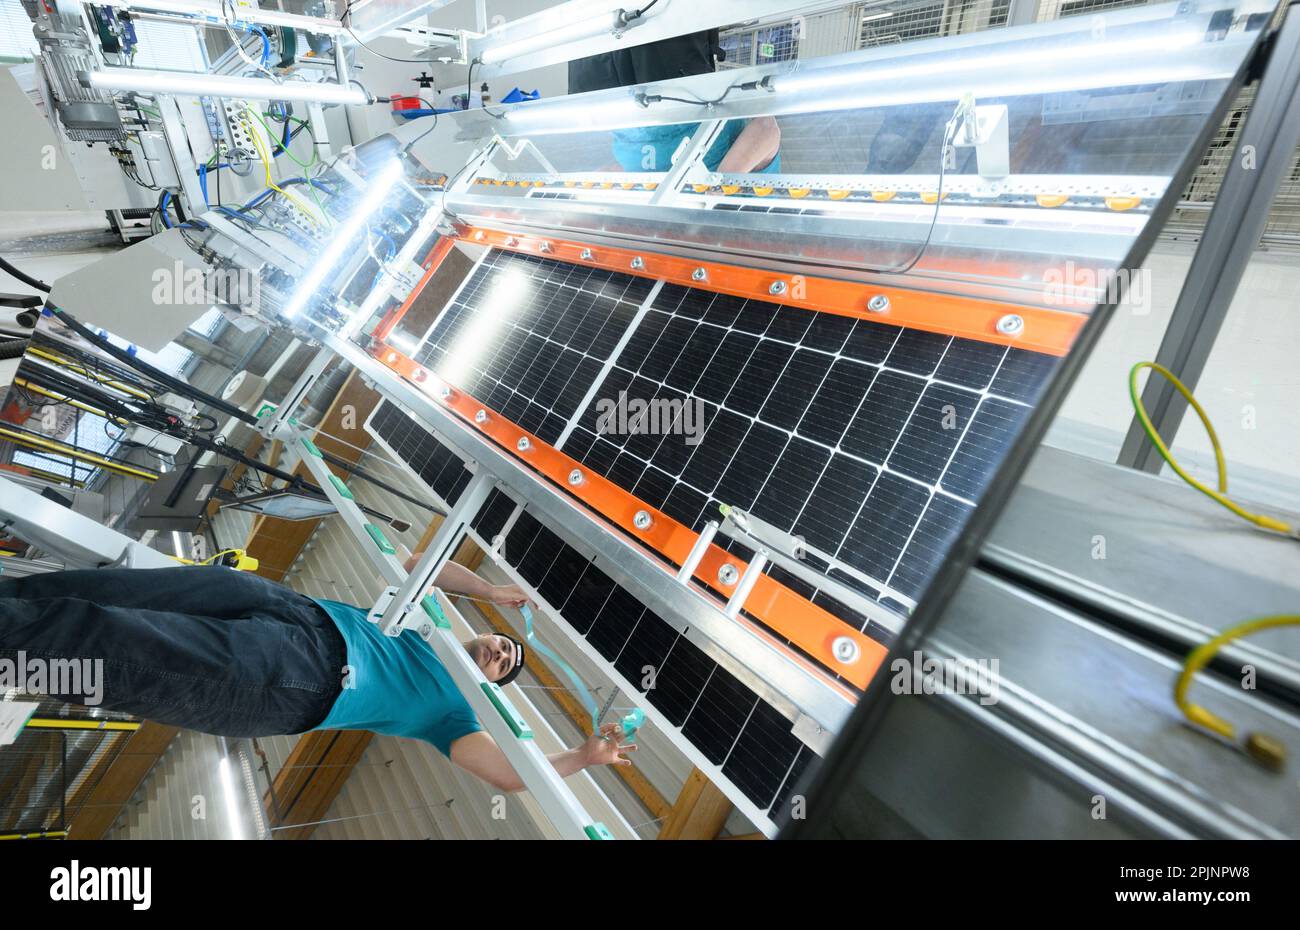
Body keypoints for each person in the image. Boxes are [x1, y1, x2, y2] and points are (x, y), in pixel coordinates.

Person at [0, 557, 633, 792]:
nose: (502, 656)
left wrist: (582, 754)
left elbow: (511, 777)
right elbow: (423, 561)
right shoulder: (429, 619)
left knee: (105, 642)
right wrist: (492, 591)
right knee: (105, 589)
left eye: (507, 669)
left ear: (491, 688)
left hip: (297, 678)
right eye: (504, 647)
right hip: (293, 609)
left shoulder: (456, 712)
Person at [568, 29, 781, 174]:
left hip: (615, 103)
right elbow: (767, 128)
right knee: (655, 21)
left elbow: (623, 169)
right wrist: (714, 190)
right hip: (678, 91)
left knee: (594, 24)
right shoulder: (745, 214)